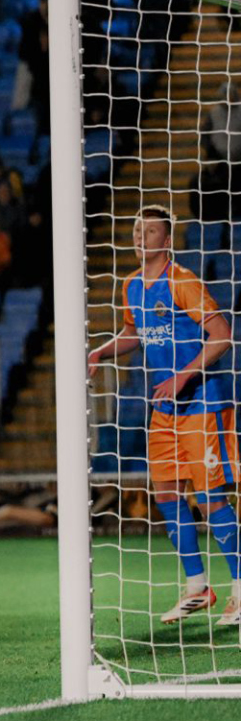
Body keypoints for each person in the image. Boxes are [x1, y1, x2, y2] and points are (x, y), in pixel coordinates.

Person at [87, 206, 240, 625]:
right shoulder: (132, 285)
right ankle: (198, 587)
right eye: (137, 229)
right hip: (164, 408)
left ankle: (240, 589)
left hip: (202, 402)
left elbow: (222, 336)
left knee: (209, 498)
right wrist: (100, 351)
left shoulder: (183, 281)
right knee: (167, 495)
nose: (141, 235)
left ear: (167, 240)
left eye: (150, 230)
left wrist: (183, 376)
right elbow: (133, 333)